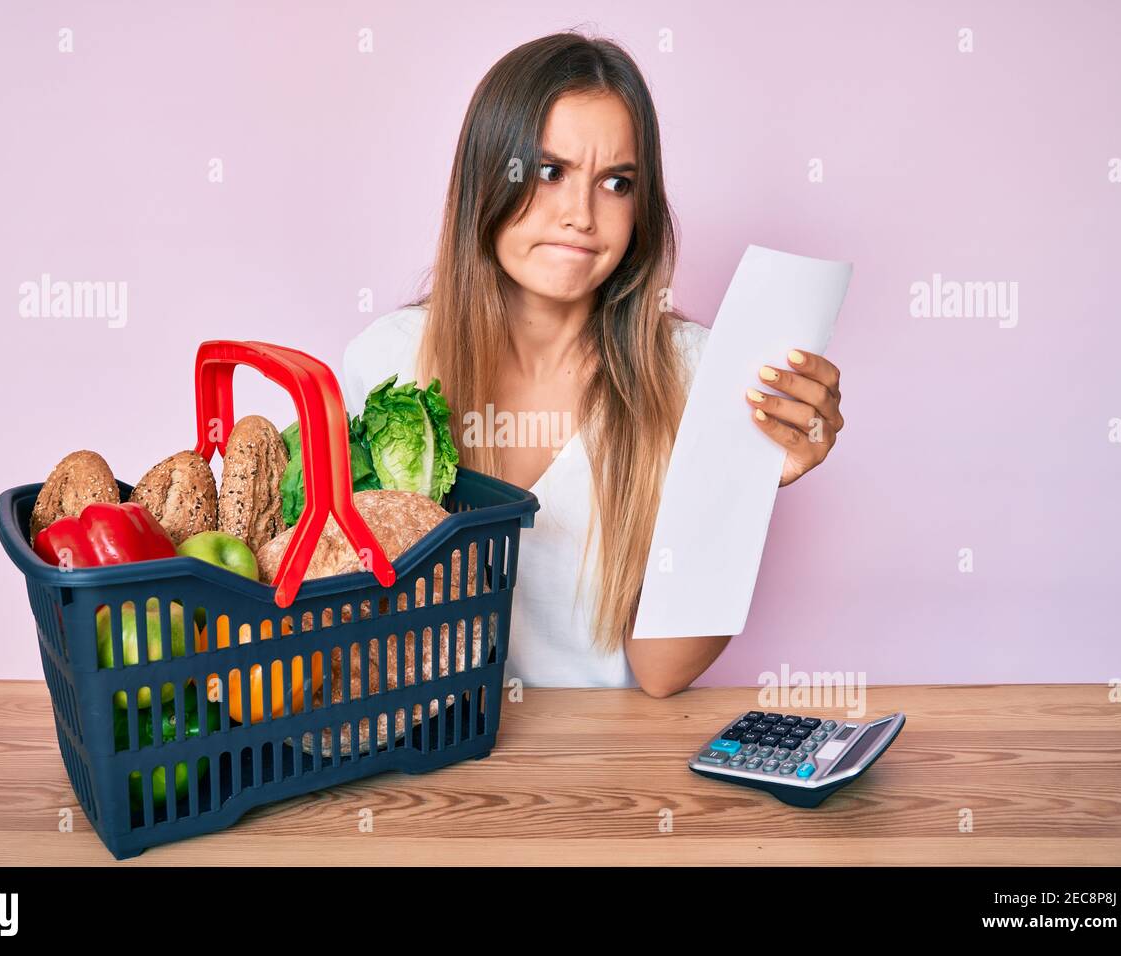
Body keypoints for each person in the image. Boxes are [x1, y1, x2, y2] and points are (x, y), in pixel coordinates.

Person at [342, 31, 844, 696]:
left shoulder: (694, 373)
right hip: (438, 762)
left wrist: (740, 489)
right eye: (549, 173)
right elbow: (358, 645)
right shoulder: (390, 362)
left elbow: (661, 673)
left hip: (610, 769)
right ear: (485, 179)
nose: (581, 215)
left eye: (616, 183)